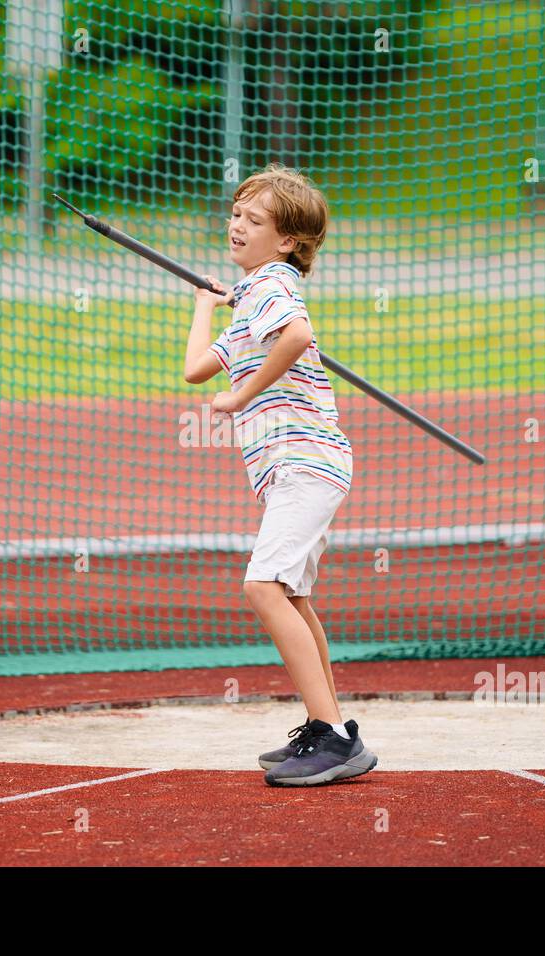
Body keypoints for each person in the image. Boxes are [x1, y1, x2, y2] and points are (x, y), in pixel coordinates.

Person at [182, 163, 378, 787]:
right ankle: (335, 731)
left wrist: (241, 398)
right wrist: (206, 306)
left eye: (254, 220)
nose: (236, 225)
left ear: (287, 240)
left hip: (304, 461)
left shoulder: (272, 282)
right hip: (300, 467)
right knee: (291, 594)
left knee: (263, 587)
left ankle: (332, 738)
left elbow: (296, 334)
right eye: (236, 214)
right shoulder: (249, 300)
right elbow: (195, 370)